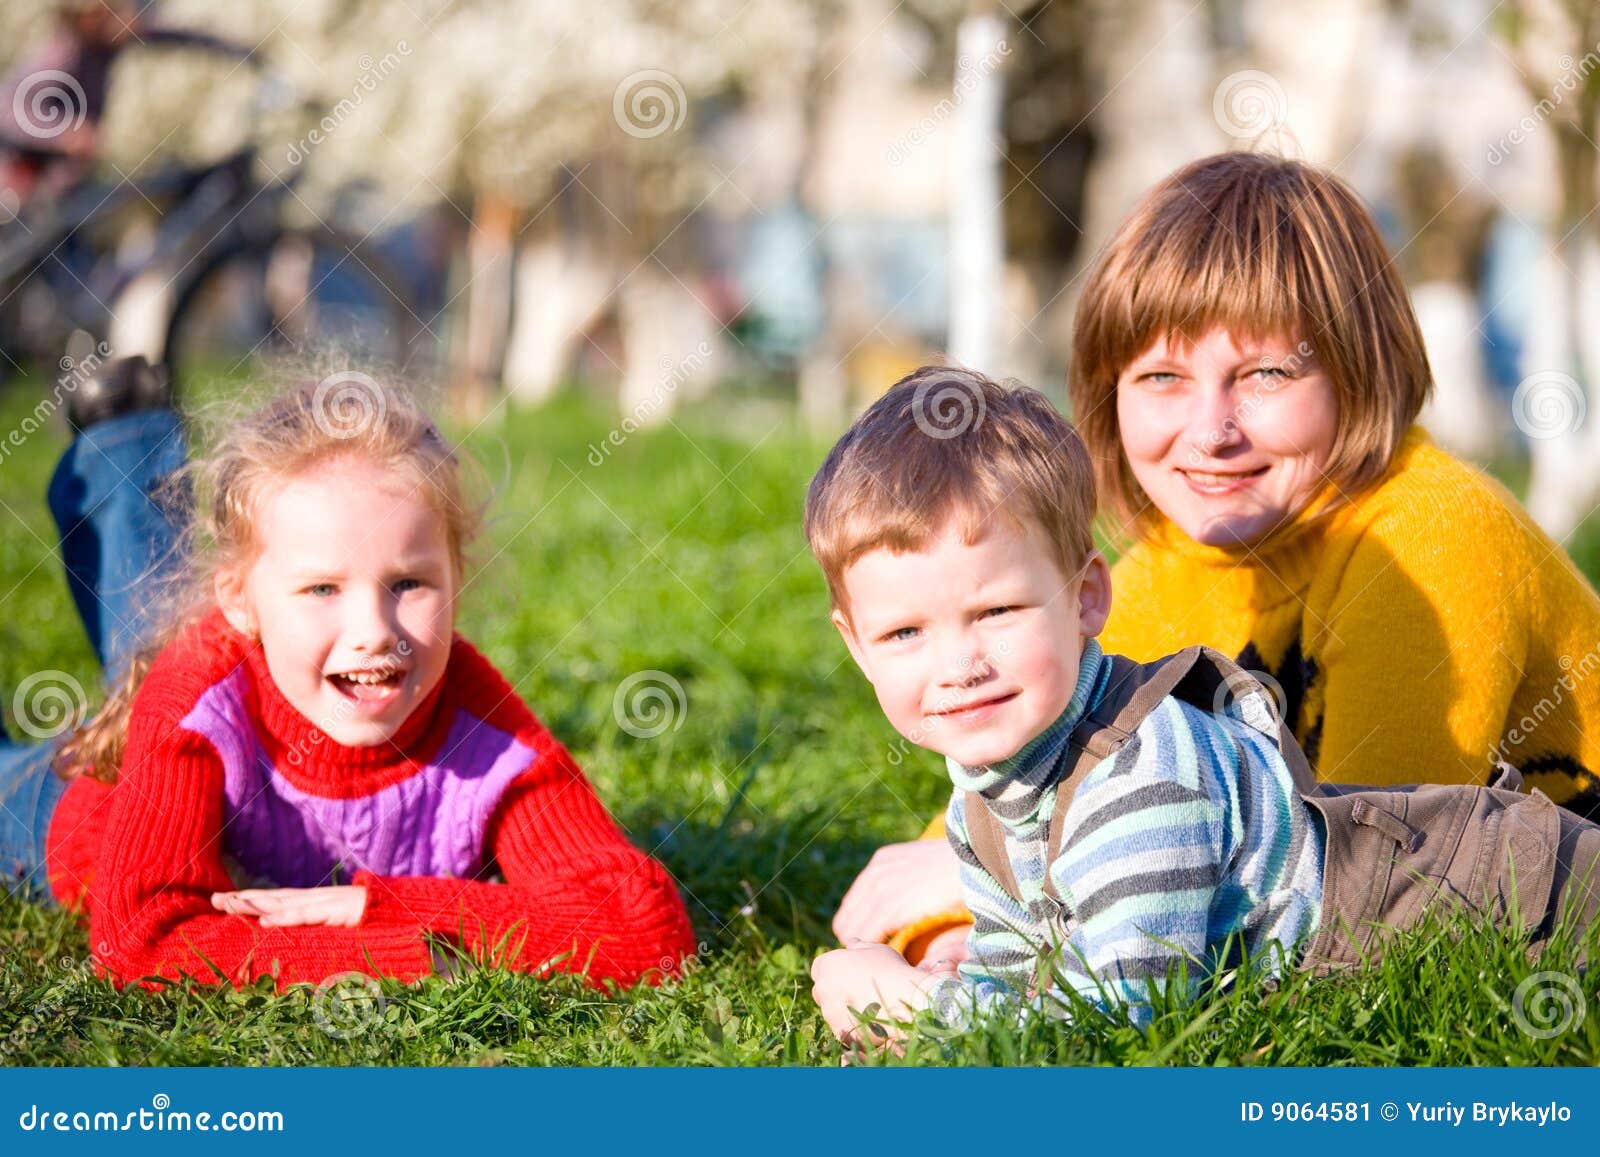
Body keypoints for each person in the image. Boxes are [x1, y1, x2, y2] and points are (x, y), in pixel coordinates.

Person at [834, 150, 1600, 965]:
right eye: (1162, 375)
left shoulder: (1432, 531)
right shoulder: (1155, 574)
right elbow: (1015, 782)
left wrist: (963, 897)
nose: (1210, 430)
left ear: (1359, 374)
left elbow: (1371, 886)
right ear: (1108, 391)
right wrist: (954, 939)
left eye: (1265, 372)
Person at [804, 368, 1600, 1040]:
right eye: (906, 631)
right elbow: (1020, 962)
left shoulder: (1139, 774)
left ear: (1085, 599)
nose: (959, 665)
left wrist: (911, 1005)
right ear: (854, 643)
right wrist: (931, 1012)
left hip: (1512, 894)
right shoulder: (991, 784)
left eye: (997, 613)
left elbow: (1122, 1014)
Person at [1, 366, 695, 992]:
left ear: (457, 578)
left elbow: (645, 928)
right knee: (157, 655)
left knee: (158, 636)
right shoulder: (197, 699)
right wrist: (415, 954)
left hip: (241, 677)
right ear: (240, 600)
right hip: (70, 810)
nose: (375, 628)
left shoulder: (478, 726)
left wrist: (381, 906)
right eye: (324, 587)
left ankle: (125, 440)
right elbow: (141, 944)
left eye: (409, 582)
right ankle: (125, 448)